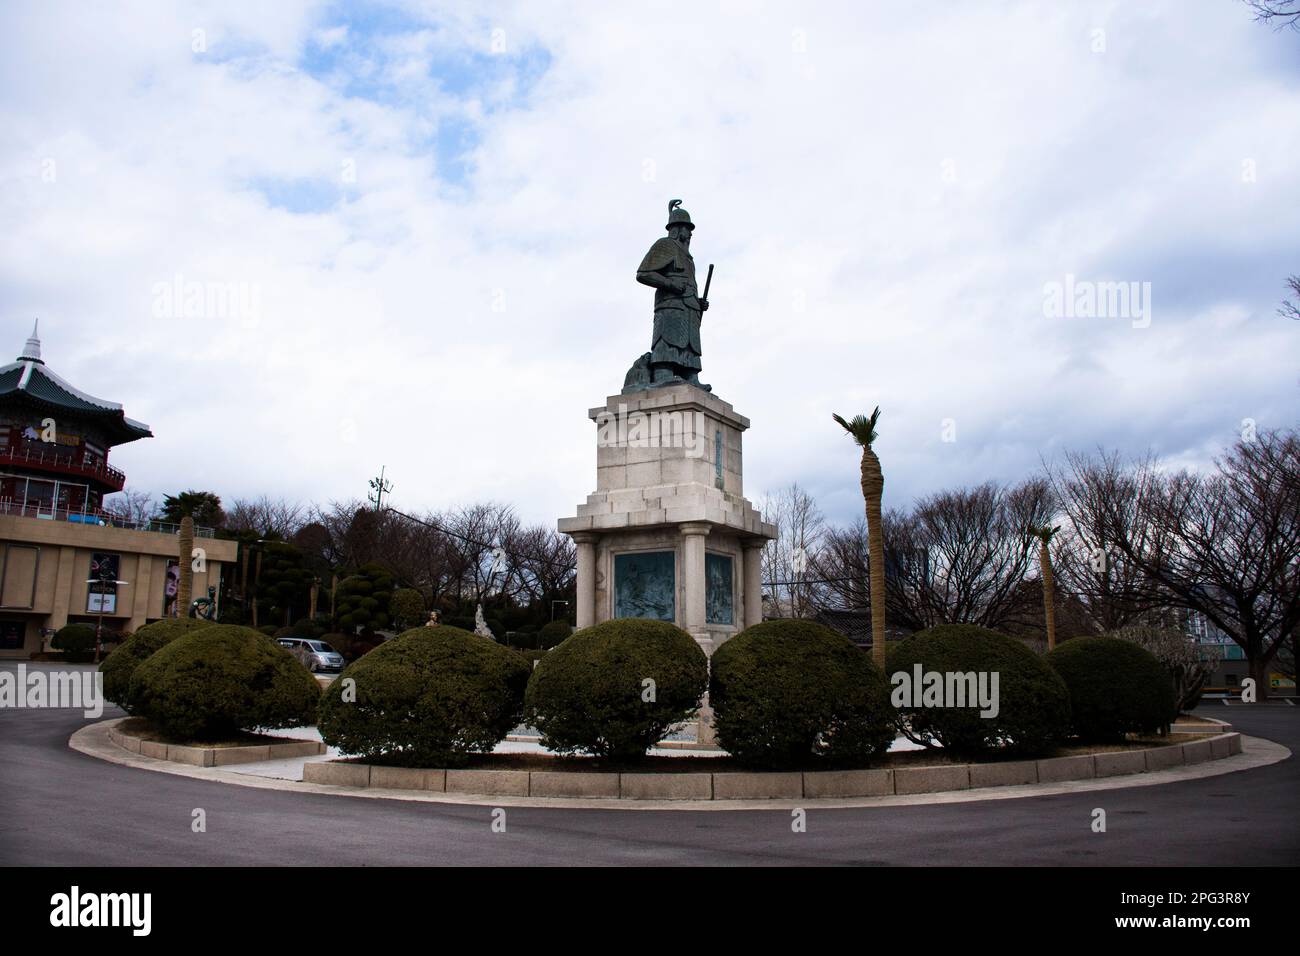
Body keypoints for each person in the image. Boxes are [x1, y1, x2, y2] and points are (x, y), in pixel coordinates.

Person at [636, 199, 710, 390]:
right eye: (687, 228)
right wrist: (671, 284)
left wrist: (698, 302)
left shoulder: (689, 258)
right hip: (670, 307)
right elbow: (643, 273)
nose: (690, 233)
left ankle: (690, 374)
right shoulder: (665, 245)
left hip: (689, 308)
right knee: (669, 340)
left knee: (690, 345)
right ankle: (663, 372)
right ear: (677, 229)